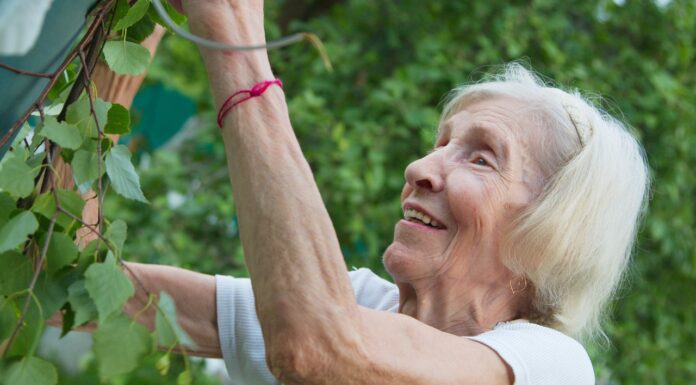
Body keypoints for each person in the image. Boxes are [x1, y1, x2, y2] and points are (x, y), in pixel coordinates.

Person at [112, 1, 650, 384]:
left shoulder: (549, 366)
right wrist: (131, 34)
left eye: (481, 157)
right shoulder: (361, 305)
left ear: (552, 231)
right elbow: (93, 292)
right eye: (440, 144)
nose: (420, 167)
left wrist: (233, 37)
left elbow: (317, 349)